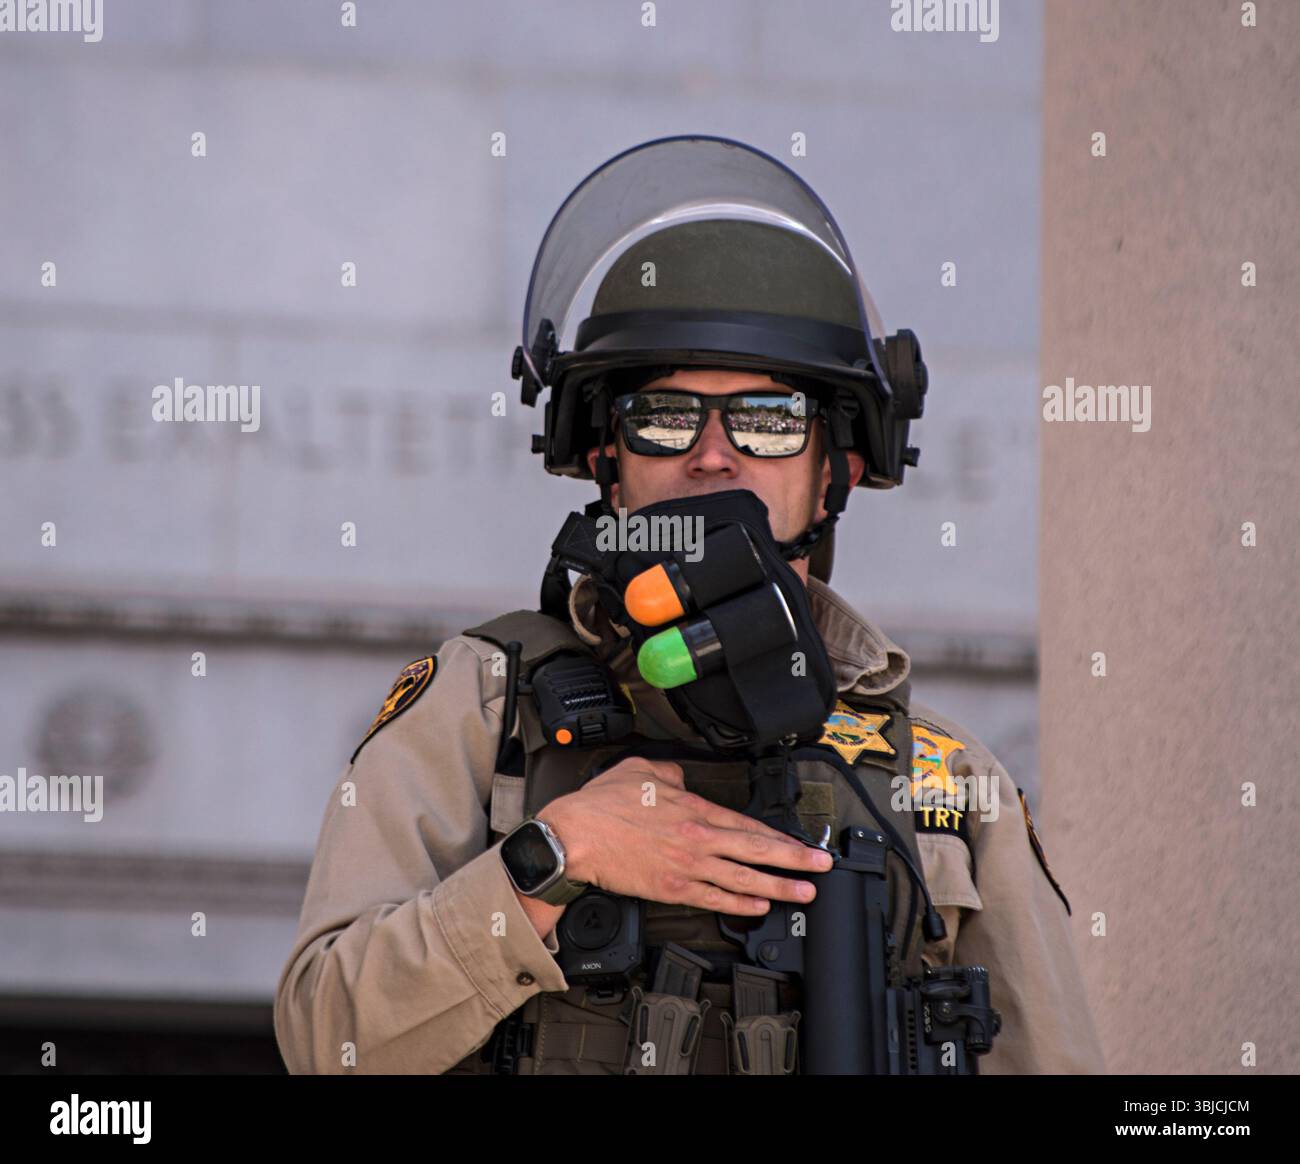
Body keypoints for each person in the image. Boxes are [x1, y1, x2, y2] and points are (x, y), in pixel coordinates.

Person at [273, 136, 1105, 1075]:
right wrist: (554, 859)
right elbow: (324, 1036)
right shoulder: (483, 705)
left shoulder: (948, 778)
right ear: (605, 462)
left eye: (770, 417)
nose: (713, 453)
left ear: (837, 470)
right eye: (664, 414)